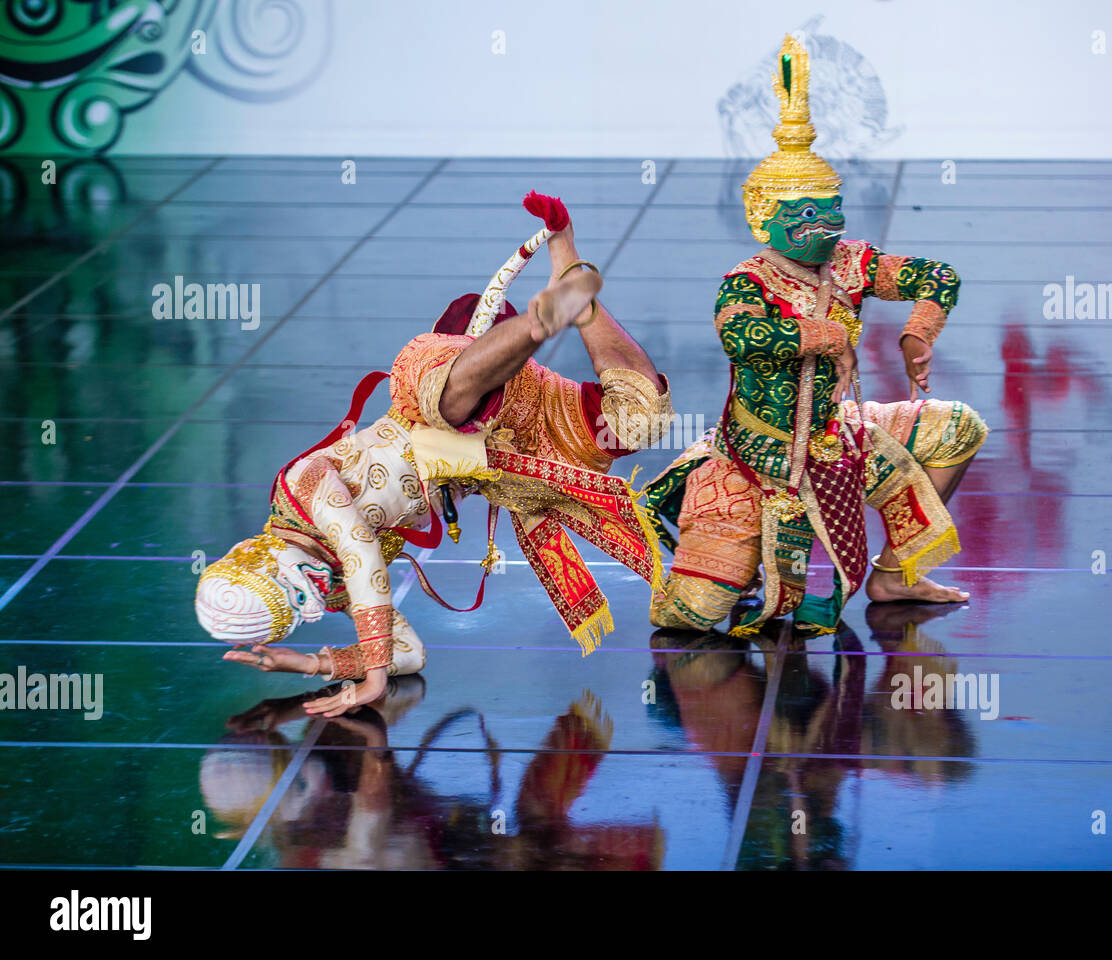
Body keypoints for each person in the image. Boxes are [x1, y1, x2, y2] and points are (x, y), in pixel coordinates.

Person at [196, 193, 673, 716]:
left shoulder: (301, 487)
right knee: (640, 419)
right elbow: (411, 653)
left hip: (439, 396)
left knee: (443, 405)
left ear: (258, 555)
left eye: (291, 591)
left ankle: (542, 319)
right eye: (299, 613)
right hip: (502, 445)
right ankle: (573, 283)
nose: (311, 603)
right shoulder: (331, 583)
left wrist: (373, 679)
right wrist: (314, 665)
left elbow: (360, 549)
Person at [644, 36, 987, 636]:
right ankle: (732, 559)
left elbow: (937, 276)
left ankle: (894, 576)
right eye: (804, 215)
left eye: (832, 211)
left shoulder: (850, 263)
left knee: (957, 425)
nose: (824, 226)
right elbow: (747, 338)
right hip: (755, 465)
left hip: (840, 443)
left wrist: (917, 332)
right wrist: (830, 335)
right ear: (761, 217)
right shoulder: (745, 283)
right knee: (686, 618)